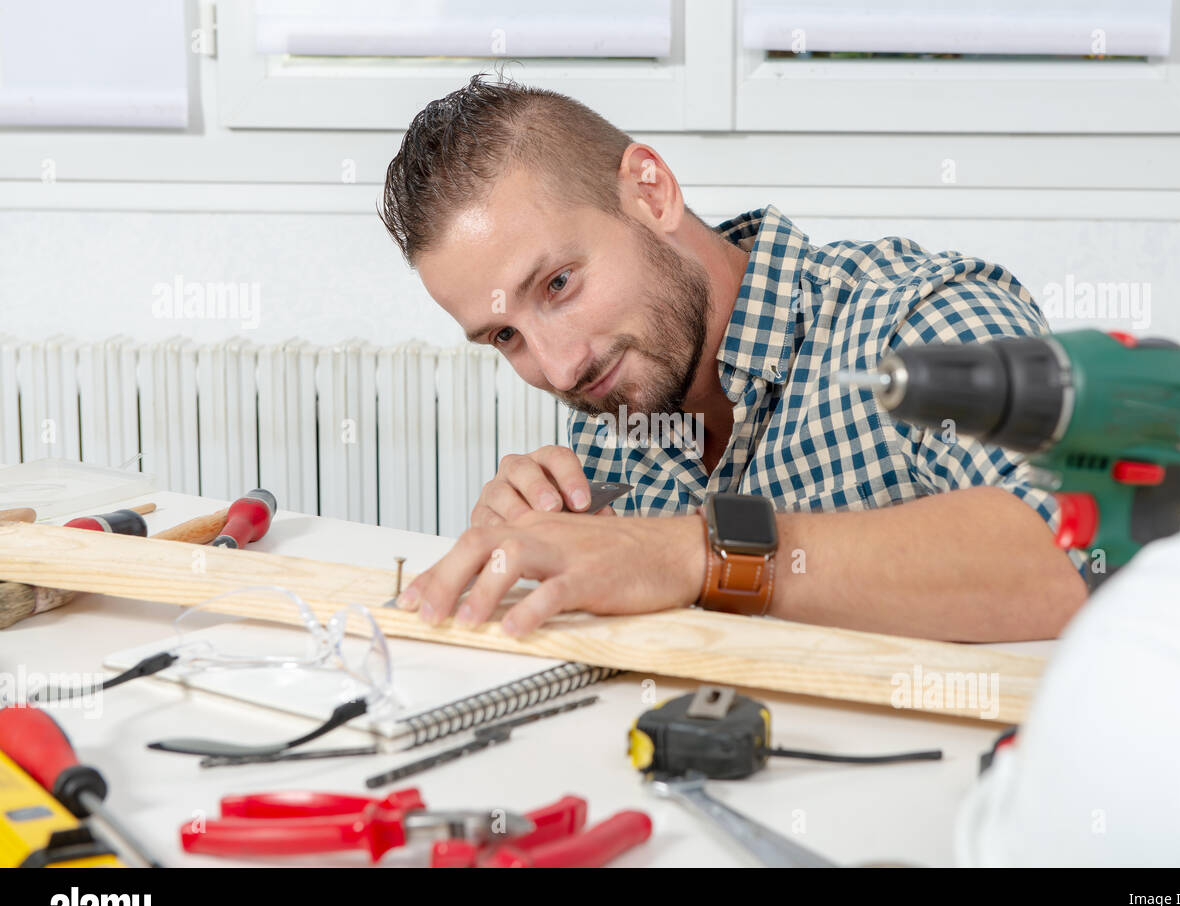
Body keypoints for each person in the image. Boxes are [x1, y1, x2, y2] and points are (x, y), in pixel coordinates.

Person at [378, 75, 1086, 641]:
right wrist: (544, 557)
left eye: (559, 284)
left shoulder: (923, 320)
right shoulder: (615, 393)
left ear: (650, 193)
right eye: (505, 337)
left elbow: (1074, 556)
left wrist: (693, 554)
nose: (560, 369)